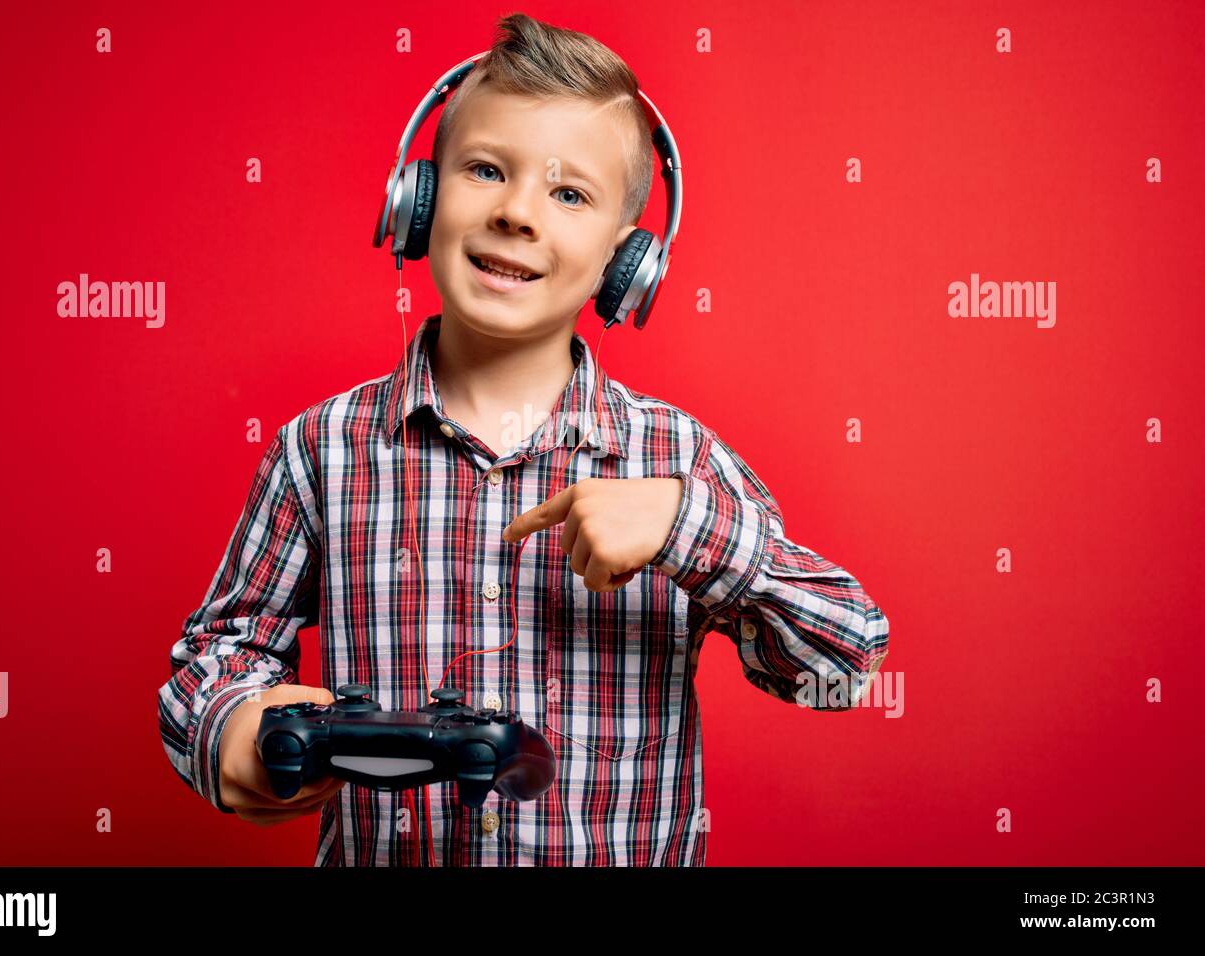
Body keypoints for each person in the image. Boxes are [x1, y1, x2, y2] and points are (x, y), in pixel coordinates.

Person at [158, 12, 889, 866]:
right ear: (416, 201)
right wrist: (230, 729)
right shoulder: (319, 451)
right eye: (483, 170)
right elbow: (215, 657)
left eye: (568, 193)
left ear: (627, 262)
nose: (516, 212)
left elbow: (845, 663)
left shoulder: (677, 463)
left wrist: (693, 532)